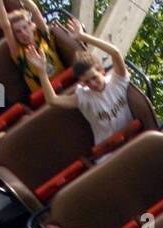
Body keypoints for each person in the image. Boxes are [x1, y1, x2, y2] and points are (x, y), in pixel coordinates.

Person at [29, 17, 130, 154]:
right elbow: (53, 100)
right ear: (82, 82)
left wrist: (83, 37)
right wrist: (42, 72)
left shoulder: (117, 81)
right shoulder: (84, 96)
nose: (93, 84)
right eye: (87, 81)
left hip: (131, 140)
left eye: (94, 78)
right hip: (108, 152)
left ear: (101, 70)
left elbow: (115, 53)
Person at [0, 0, 63, 91]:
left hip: (64, 80)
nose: (24, 33)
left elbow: (35, 11)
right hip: (44, 94)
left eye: (25, 28)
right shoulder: (18, 53)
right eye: (18, 32)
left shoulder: (43, 37)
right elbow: (6, 26)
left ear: (31, 27)